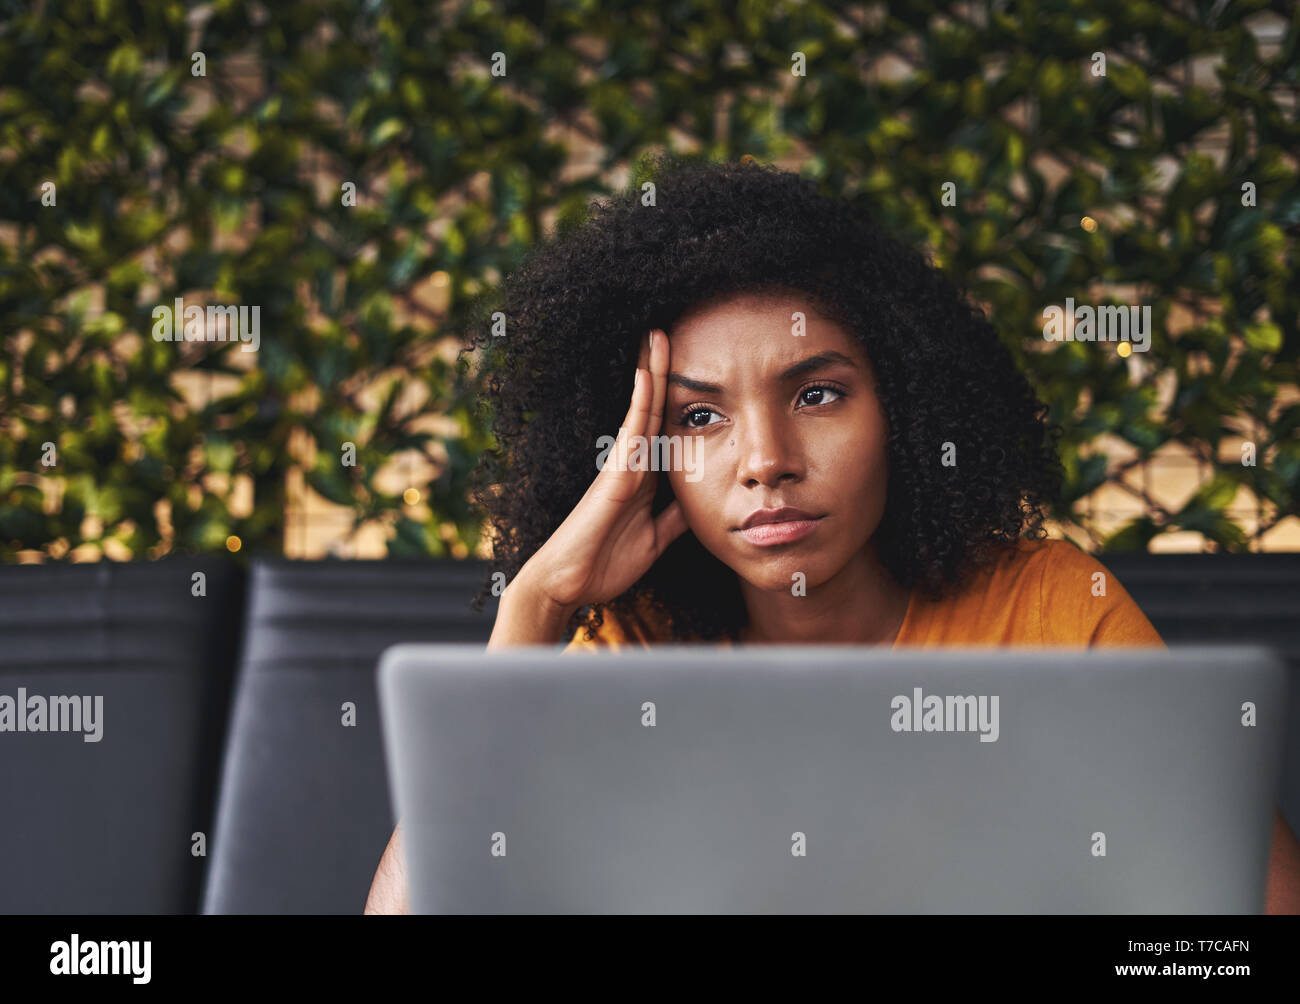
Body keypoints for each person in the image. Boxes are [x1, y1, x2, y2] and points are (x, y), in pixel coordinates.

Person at [364, 155, 1300, 914]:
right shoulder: (630, 648)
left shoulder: (1052, 608)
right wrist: (536, 605)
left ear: (903, 407)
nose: (765, 459)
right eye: (699, 420)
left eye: (817, 395)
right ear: (642, 455)